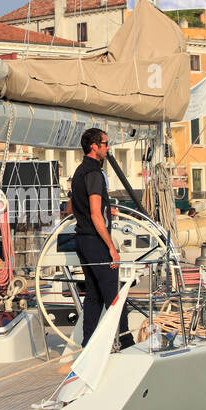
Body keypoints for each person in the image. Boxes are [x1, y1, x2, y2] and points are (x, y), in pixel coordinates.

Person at [71, 127, 132, 350]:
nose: (108, 147)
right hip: (96, 241)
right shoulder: (95, 174)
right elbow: (96, 214)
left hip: (82, 240)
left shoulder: (79, 172)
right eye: (105, 143)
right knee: (112, 294)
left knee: (94, 295)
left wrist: (107, 208)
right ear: (94, 146)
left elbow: (72, 207)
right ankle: (126, 342)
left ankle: (88, 344)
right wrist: (111, 248)